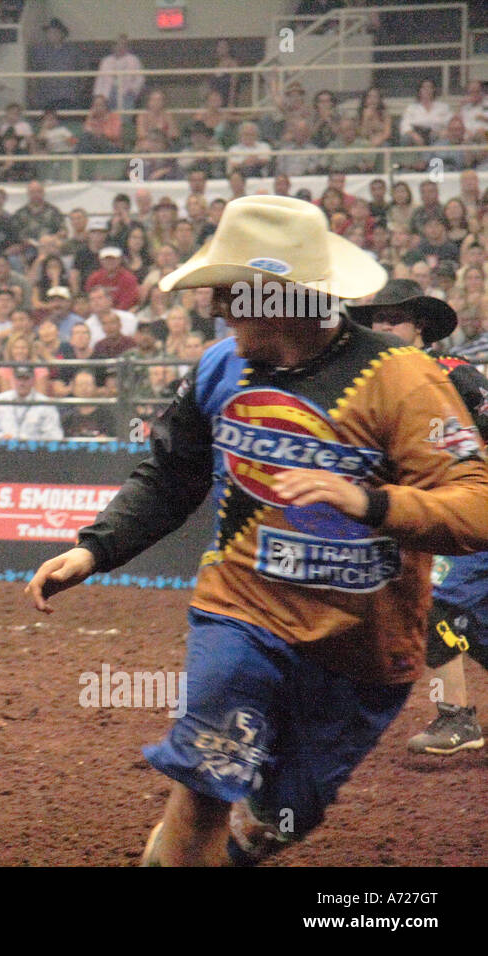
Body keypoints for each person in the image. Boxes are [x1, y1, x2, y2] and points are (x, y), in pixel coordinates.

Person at [26, 195, 488, 867]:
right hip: (242, 616)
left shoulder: (405, 381)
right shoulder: (219, 367)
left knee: (270, 827)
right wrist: (94, 548)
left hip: (366, 652)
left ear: (279, 296)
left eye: (227, 293)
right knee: (203, 791)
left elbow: (476, 510)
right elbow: (171, 472)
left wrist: (370, 501)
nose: (213, 307)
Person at [349, 279, 488, 755]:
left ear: (420, 328)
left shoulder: (451, 370)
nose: (384, 327)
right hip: (437, 516)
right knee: (461, 616)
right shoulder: (376, 382)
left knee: (439, 603)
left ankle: (456, 718)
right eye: (378, 320)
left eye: (395, 319)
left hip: (470, 510)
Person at [0, 365, 62, 440]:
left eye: (26, 379)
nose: (22, 383)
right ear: (12, 379)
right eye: (19, 379)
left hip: (36, 452)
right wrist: (2, 437)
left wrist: (34, 442)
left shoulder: (45, 404)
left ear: (33, 380)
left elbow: (55, 435)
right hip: (4, 450)